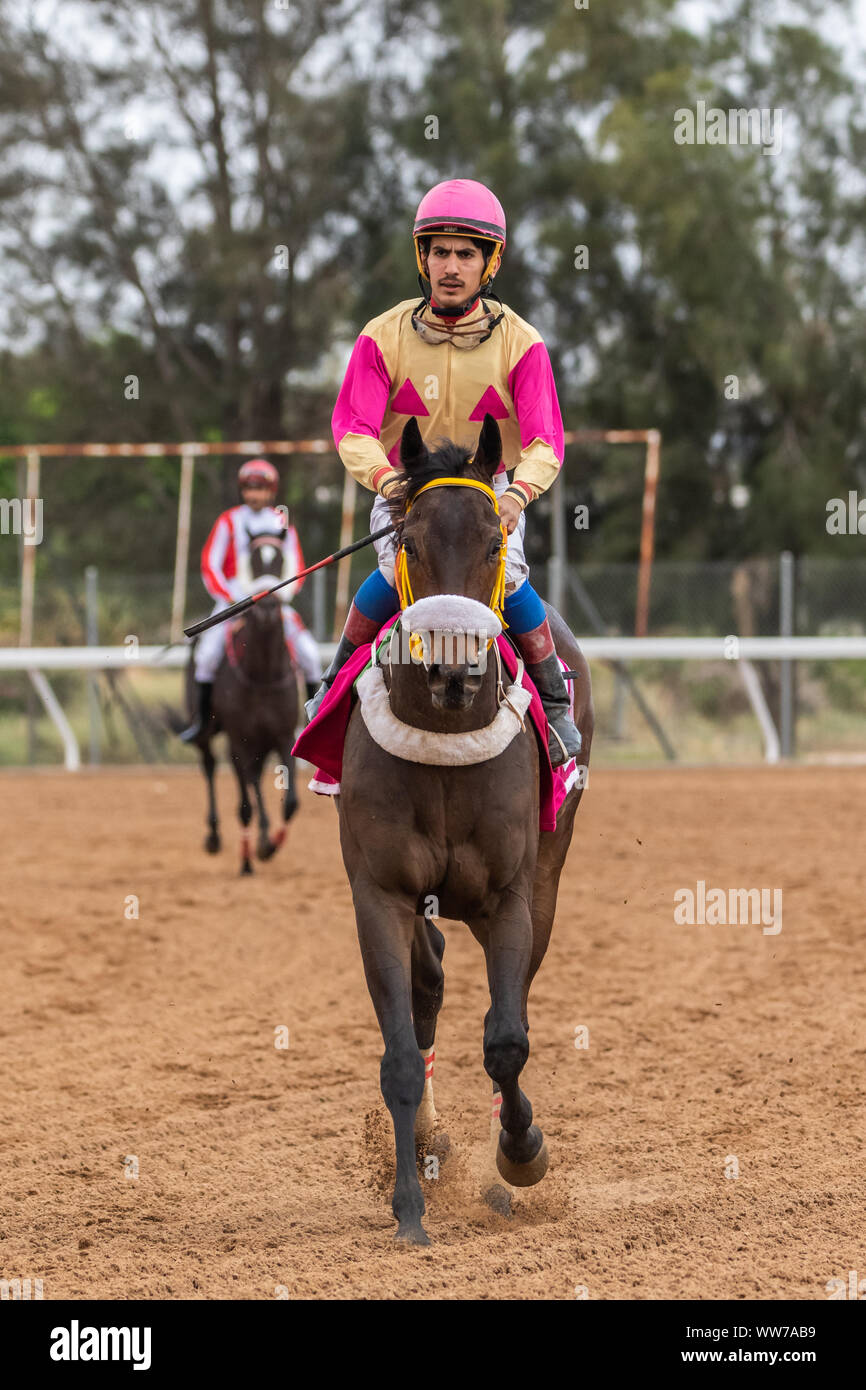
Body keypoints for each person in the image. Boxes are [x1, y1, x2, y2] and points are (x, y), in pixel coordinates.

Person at [306, 177, 580, 765]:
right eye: (440, 252)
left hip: (490, 492)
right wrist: (387, 482)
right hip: (407, 489)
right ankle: (331, 689)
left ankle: (554, 704)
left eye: (466, 253)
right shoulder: (381, 336)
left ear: (489, 262)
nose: (451, 266)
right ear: (422, 259)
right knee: (395, 567)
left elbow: (546, 441)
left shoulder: (522, 343)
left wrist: (518, 495)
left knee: (506, 579)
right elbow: (353, 428)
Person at [179, 458, 322, 743]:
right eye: (248, 488)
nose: (254, 494)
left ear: (272, 490)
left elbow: (297, 567)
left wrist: (282, 595)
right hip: (234, 602)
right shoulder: (228, 521)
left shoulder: (283, 522)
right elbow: (210, 564)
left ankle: (314, 723)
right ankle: (203, 723)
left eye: (260, 488)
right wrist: (232, 597)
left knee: (310, 655)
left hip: (275, 602)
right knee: (206, 656)